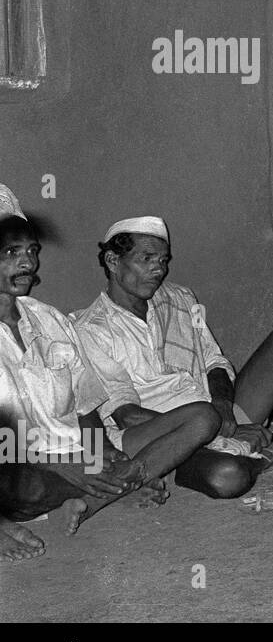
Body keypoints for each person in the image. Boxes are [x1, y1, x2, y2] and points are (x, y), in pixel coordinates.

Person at [73, 216, 273, 506]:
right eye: (147, 258)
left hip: (219, 417)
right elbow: (126, 415)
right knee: (228, 477)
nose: (159, 268)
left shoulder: (182, 298)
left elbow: (214, 361)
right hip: (164, 439)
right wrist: (216, 431)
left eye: (164, 260)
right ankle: (264, 456)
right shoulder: (90, 328)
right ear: (113, 261)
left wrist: (223, 408)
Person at [0, 212, 192, 547]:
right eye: (12, 253)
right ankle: (116, 487)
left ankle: (106, 488)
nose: (28, 262)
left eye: (32, 251)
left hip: (74, 453)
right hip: (19, 463)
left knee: (198, 418)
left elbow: (84, 401)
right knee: (27, 487)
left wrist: (98, 453)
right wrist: (63, 464)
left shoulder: (50, 321)